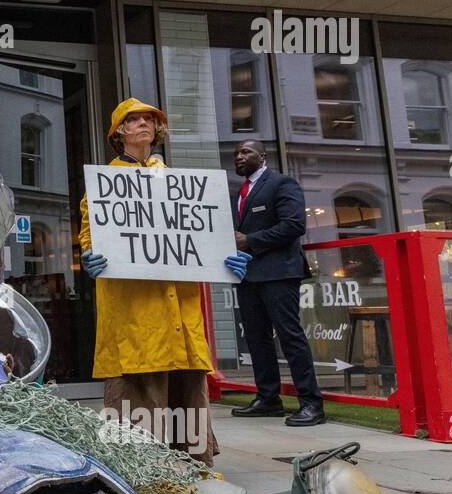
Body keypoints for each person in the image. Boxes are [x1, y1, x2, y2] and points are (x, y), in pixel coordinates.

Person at [79, 98, 247, 468]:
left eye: (149, 119)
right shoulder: (105, 187)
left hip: (181, 317)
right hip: (135, 316)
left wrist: (226, 259)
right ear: (119, 132)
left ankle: (192, 472)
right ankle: (141, 475)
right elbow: (90, 237)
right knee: (137, 394)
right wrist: (91, 257)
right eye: (133, 119)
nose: (143, 124)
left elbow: (201, 239)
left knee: (186, 391)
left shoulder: (182, 186)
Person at [228, 139, 325, 426]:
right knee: (256, 339)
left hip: (280, 273)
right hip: (247, 274)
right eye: (236, 153)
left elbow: (295, 225)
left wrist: (250, 241)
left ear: (263, 155)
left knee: (289, 337)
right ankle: (268, 398)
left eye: (245, 152)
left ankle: (311, 403)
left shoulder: (283, 184)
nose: (239, 157)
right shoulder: (239, 193)